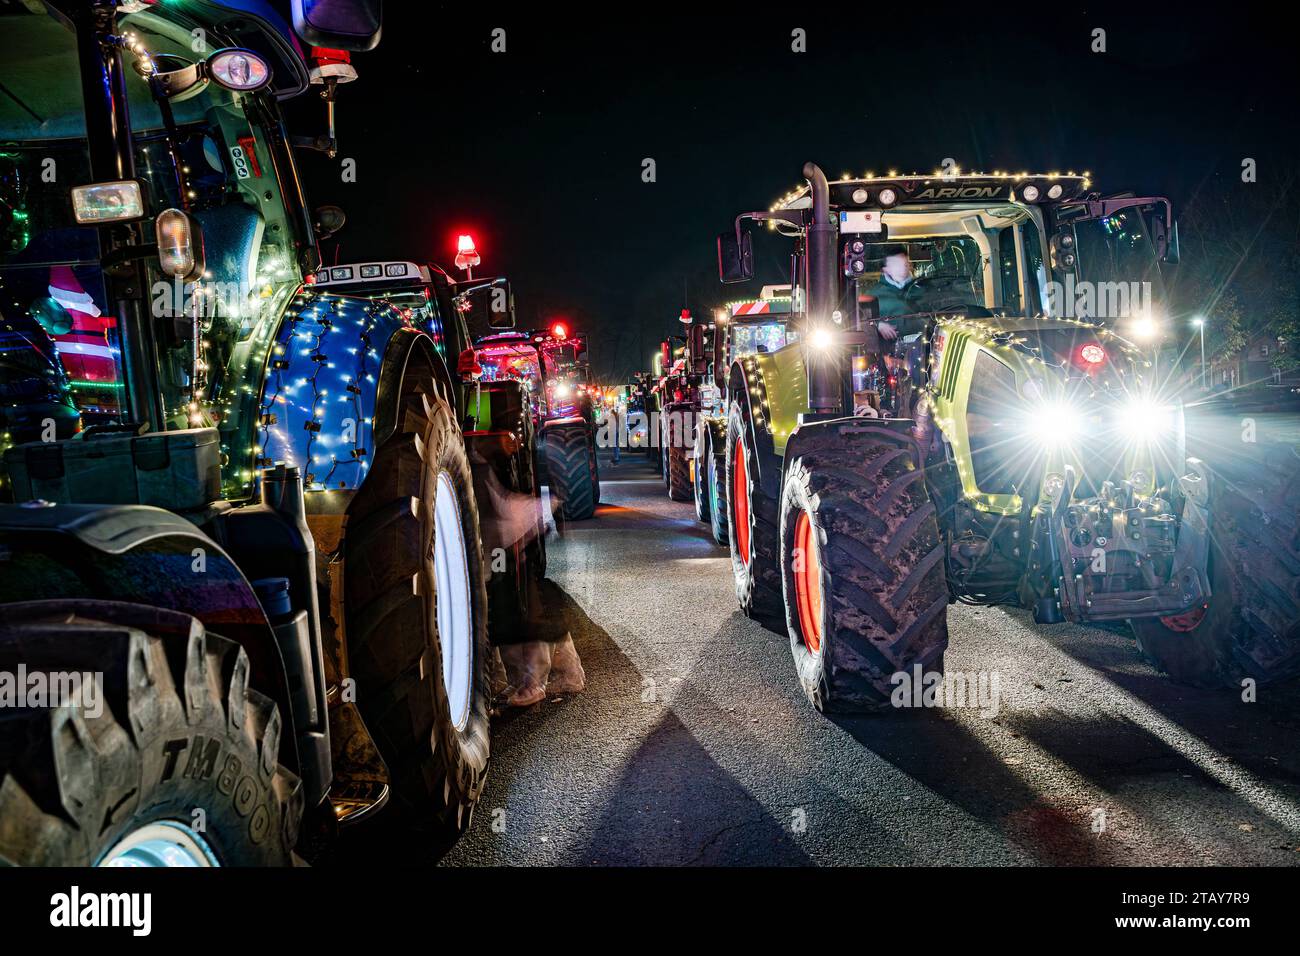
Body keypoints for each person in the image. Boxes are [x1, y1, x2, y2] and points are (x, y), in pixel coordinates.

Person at [869, 246, 925, 340]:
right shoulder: (874, 295)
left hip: (926, 344)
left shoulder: (922, 288)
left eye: (905, 263)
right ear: (886, 269)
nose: (902, 267)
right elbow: (858, 320)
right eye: (896, 264)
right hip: (891, 349)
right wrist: (878, 325)